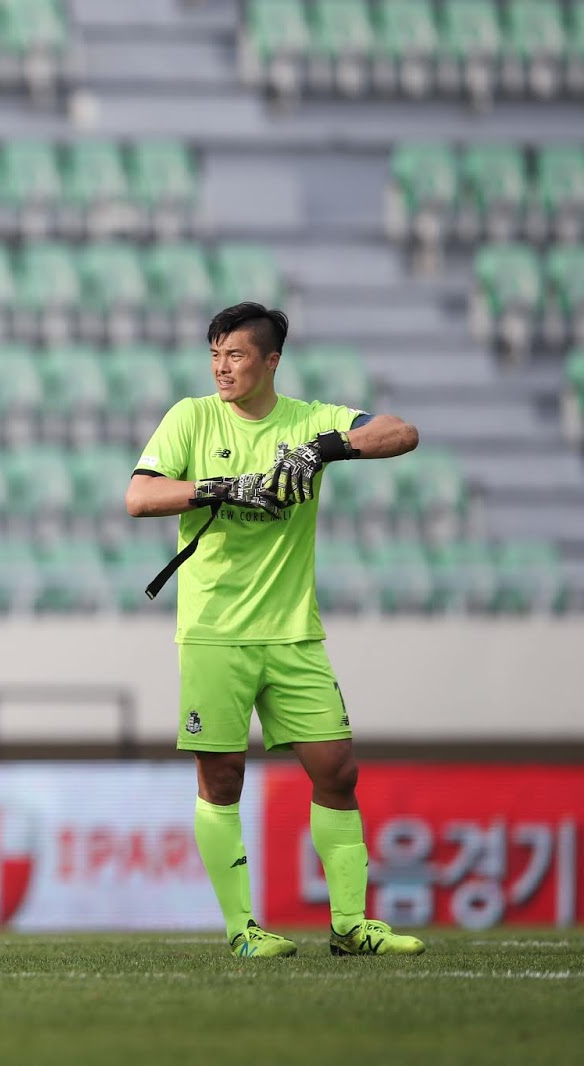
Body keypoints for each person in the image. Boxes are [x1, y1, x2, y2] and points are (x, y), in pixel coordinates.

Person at [125, 301, 427, 959]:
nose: (222, 368)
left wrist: (325, 449)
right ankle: (243, 929)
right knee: (222, 778)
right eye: (215, 355)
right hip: (214, 632)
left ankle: (350, 926)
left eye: (235, 355)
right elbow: (139, 496)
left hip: (293, 634)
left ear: (270, 361)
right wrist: (221, 488)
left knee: (337, 770)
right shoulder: (191, 416)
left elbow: (403, 433)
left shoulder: (309, 420)